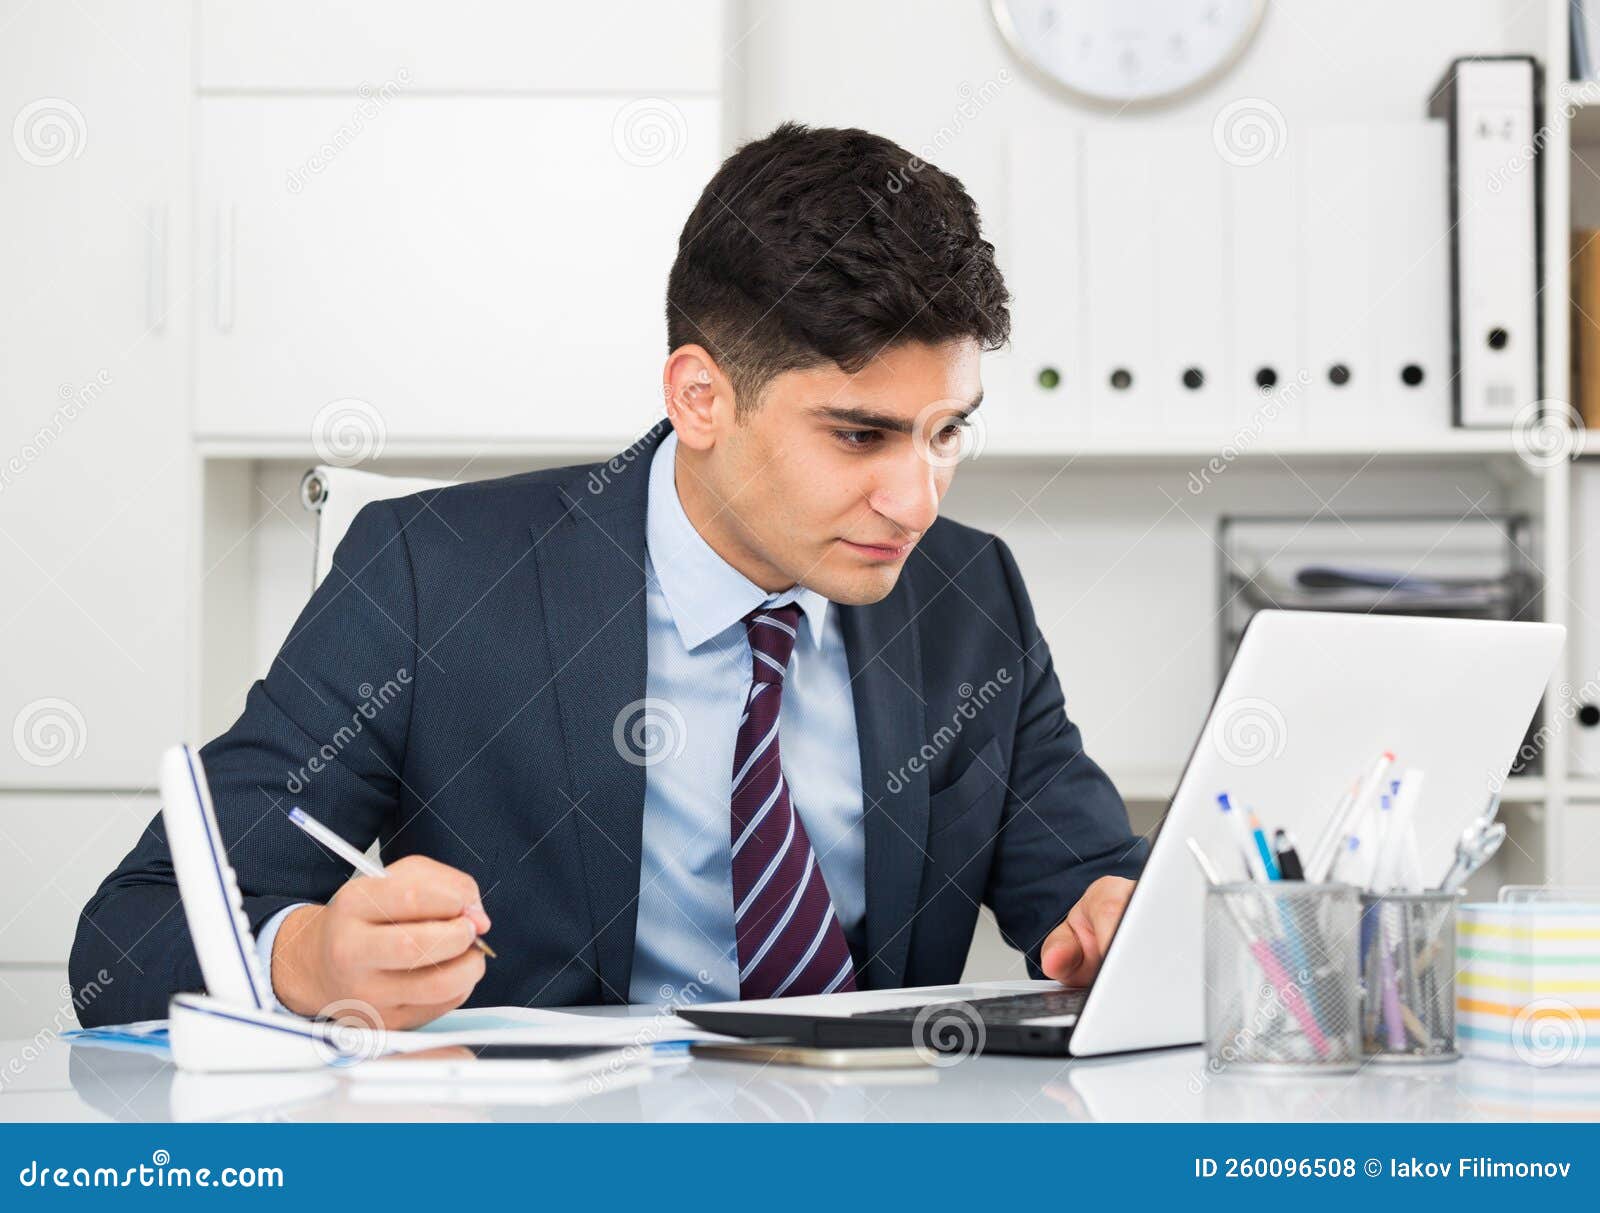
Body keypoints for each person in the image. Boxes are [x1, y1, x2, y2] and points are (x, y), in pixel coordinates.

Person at [71, 122, 1147, 1029]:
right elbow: (128, 935)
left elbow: (1090, 883)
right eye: (860, 436)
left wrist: (1116, 915)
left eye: (947, 432)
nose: (918, 500)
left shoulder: (969, 594)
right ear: (700, 397)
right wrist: (306, 961)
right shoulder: (433, 578)